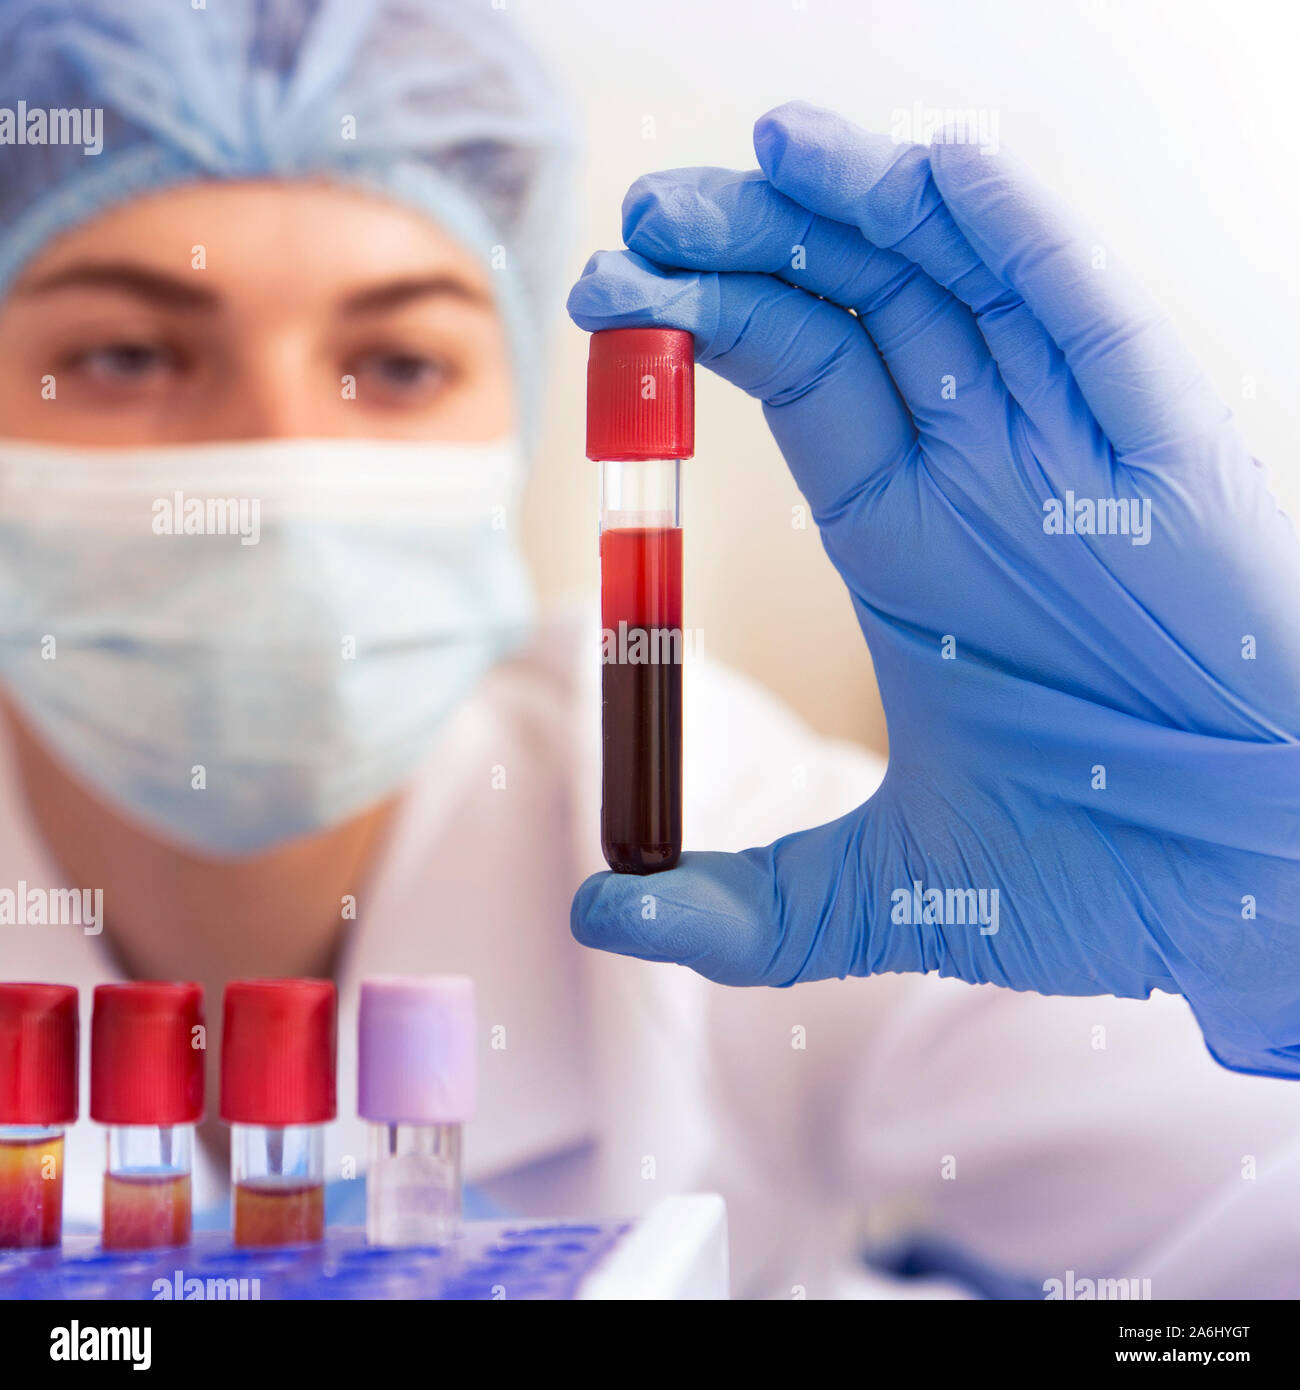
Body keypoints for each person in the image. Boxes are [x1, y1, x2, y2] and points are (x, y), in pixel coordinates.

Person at [0, 0, 1297, 1298]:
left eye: (396, 362)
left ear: (517, 411)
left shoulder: (712, 820)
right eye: (124, 354)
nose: (279, 459)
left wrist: (1275, 928)